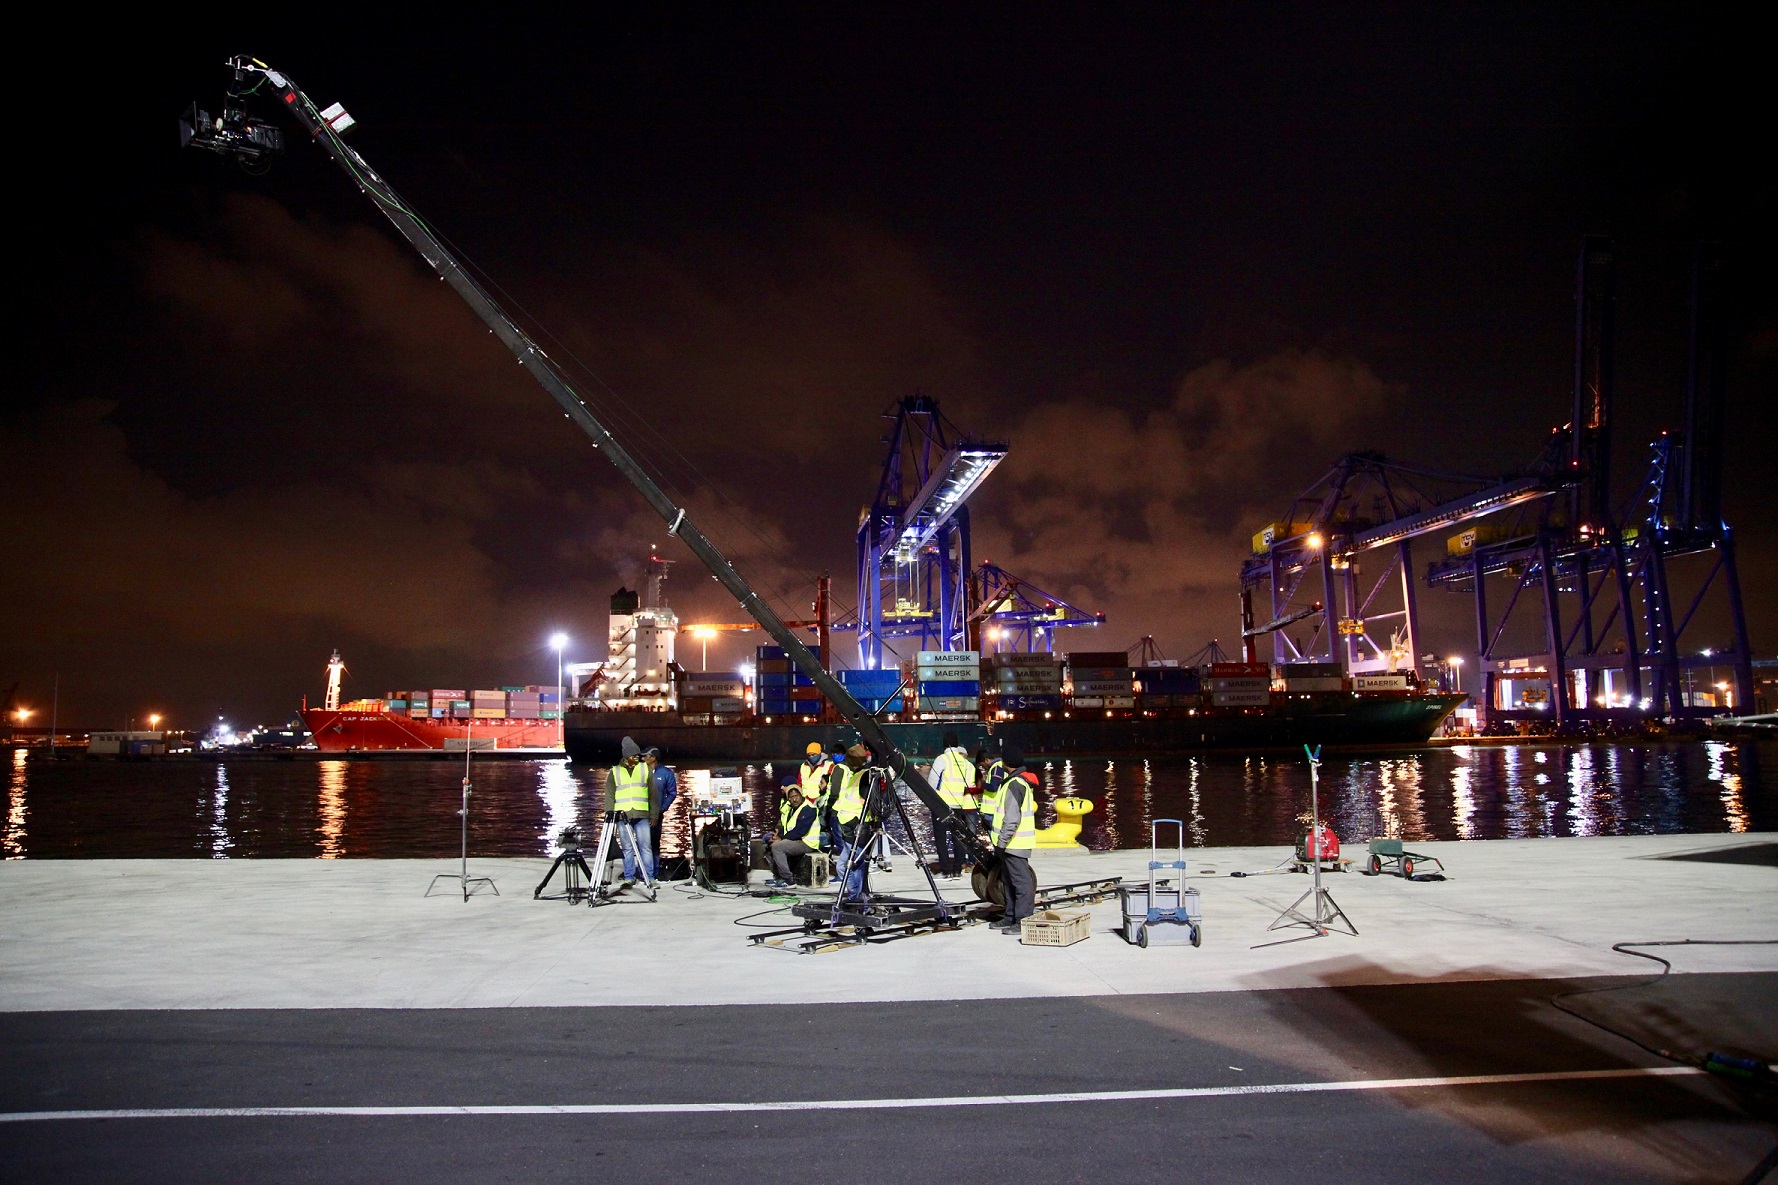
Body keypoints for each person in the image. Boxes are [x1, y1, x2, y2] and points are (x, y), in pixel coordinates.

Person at [988, 746, 1039, 932]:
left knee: (1021, 883)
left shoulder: (1014, 785)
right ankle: (1010, 917)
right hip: (1010, 844)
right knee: (1009, 881)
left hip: (1014, 844)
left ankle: (1023, 921)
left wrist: (1001, 842)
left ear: (1006, 763)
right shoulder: (1015, 782)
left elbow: (1011, 819)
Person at [606, 736, 656, 890]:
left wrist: (654, 814)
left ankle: (649, 877)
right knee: (627, 848)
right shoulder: (615, 772)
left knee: (645, 847)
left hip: (641, 815)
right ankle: (629, 877)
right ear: (625, 757)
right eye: (633, 756)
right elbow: (609, 794)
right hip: (623, 816)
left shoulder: (644, 769)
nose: (636, 758)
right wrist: (609, 814)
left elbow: (653, 794)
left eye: (637, 756)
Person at [927, 731, 976, 877]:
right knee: (958, 838)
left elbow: (932, 782)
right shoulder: (966, 763)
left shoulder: (942, 759)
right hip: (959, 805)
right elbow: (970, 785)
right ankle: (958, 869)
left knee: (941, 838)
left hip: (941, 805)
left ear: (944, 744)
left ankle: (945, 870)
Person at [828, 743, 871, 898]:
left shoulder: (863, 777)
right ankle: (857, 896)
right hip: (850, 827)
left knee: (849, 866)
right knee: (849, 866)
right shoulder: (855, 775)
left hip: (856, 827)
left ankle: (856, 897)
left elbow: (866, 801)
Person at [767, 785, 821, 887]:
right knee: (769, 842)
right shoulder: (791, 808)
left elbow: (800, 831)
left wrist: (781, 839)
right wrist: (777, 836)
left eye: (796, 796)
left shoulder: (808, 809)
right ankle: (777, 877)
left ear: (801, 795)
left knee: (777, 847)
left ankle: (787, 879)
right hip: (796, 840)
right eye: (791, 797)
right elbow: (788, 828)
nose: (794, 799)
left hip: (807, 843)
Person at [644, 747, 676, 869]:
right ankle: (645, 870)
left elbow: (672, 793)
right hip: (641, 812)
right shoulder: (640, 771)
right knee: (642, 843)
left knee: (654, 843)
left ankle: (654, 870)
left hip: (656, 814)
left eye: (645, 756)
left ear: (653, 758)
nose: (643, 758)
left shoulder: (666, 773)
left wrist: (662, 808)